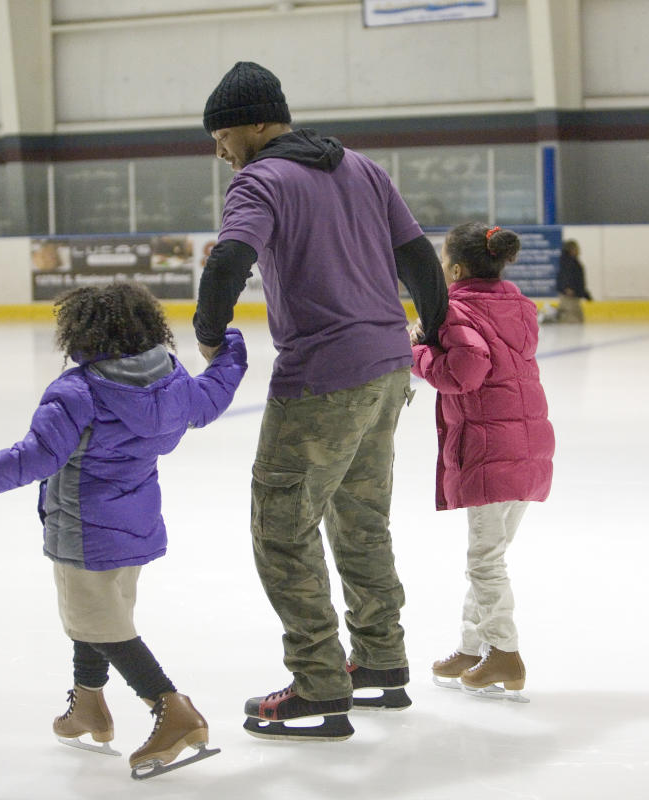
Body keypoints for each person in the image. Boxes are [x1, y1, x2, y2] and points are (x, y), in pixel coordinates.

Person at [193, 61, 448, 741]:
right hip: (389, 369)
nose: (218, 149)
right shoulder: (363, 169)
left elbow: (228, 260)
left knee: (281, 528)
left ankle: (318, 684)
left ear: (255, 123)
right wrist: (434, 332)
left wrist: (209, 333)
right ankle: (382, 661)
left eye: (221, 134)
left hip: (320, 378)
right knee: (360, 518)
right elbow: (420, 258)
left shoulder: (260, 180)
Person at [0, 282, 247, 778]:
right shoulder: (171, 381)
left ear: (81, 334)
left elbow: (37, 457)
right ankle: (88, 705)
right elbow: (213, 395)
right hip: (133, 526)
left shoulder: (78, 392)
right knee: (95, 618)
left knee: (102, 626)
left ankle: (171, 709)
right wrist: (231, 347)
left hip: (84, 528)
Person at [409, 223, 555, 702]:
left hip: (492, 450)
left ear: (454, 268)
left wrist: (420, 353)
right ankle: (475, 648)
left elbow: (466, 369)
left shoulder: (455, 307)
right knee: (489, 557)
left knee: (485, 563)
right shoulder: (518, 305)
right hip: (527, 444)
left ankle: (506, 653)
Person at [554, 238, 592, 323]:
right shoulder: (567, 262)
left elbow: (577, 279)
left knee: (577, 318)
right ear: (571, 250)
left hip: (573, 296)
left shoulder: (573, 261)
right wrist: (567, 287)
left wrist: (584, 293)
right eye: (577, 248)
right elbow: (565, 276)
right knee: (570, 320)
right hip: (569, 296)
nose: (579, 250)